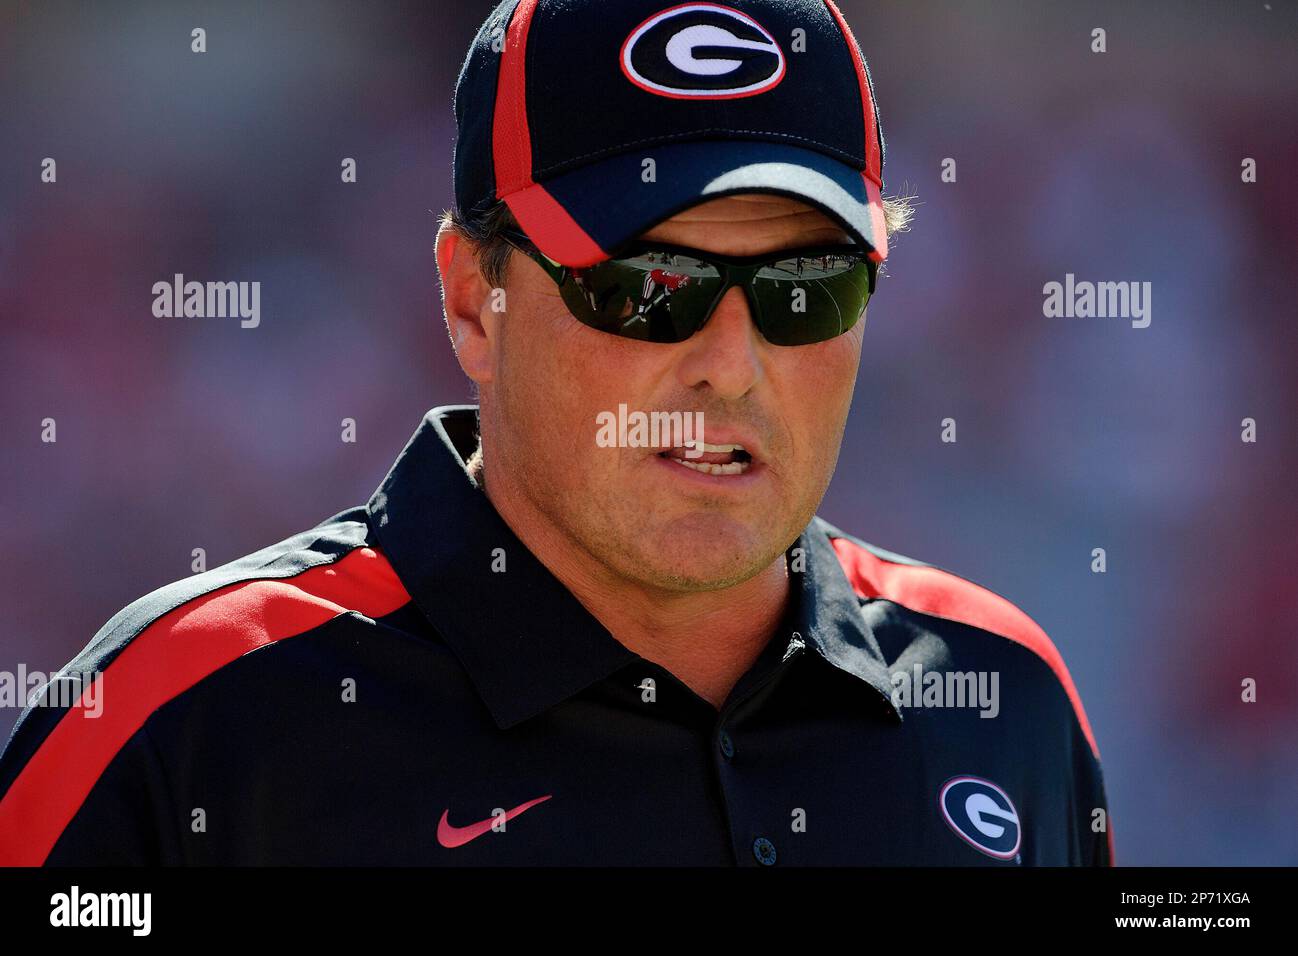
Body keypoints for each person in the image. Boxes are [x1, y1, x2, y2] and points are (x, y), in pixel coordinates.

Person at [0, 0, 1110, 866]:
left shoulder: (1005, 694)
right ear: (471, 300)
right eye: (648, 285)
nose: (732, 360)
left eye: (805, 287)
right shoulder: (184, 720)